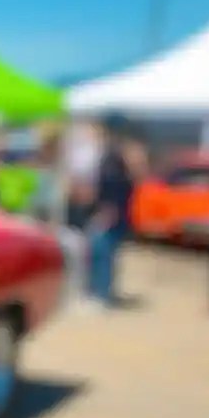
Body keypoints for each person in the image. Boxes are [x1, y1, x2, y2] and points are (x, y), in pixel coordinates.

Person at [85, 116, 138, 307]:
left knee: (102, 251)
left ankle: (102, 295)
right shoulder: (114, 156)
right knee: (102, 252)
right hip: (112, 211)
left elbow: (113, 185)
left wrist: (109, 210)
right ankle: (101, 292)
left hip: (110, 212)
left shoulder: (112, 157)